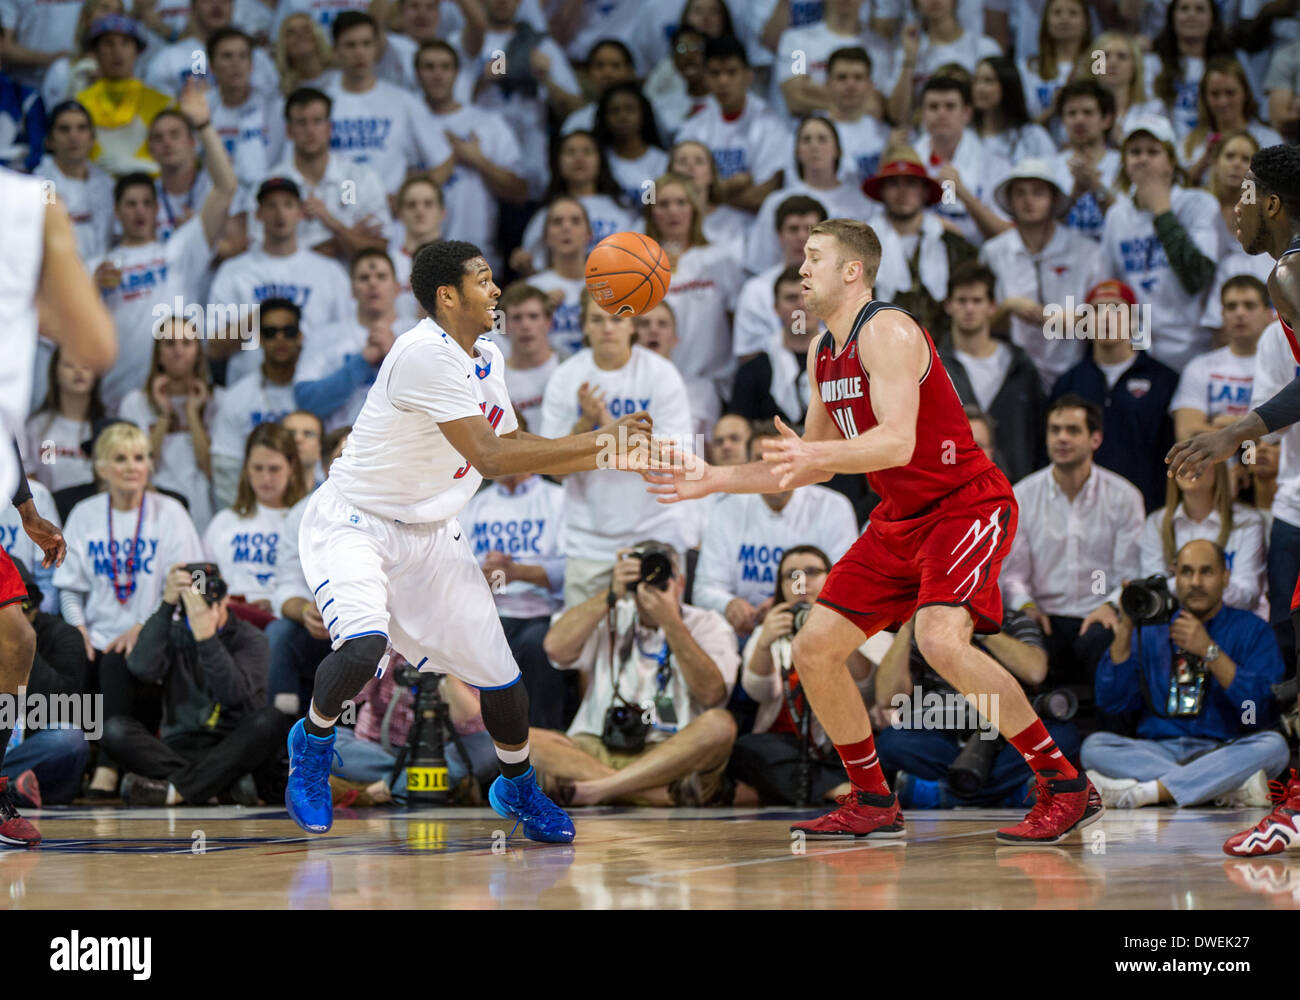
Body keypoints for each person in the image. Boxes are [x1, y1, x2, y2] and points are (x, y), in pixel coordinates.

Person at [647, 218, 1105, 843]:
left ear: (852, 271)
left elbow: (896, 440)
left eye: (814, 258)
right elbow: (806, 462)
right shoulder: (821, 350)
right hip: (898, 519)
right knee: (814, 647)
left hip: (962, 505)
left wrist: (816, 458)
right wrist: (713, 478)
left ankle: (1064, 783)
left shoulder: (887, 330)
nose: (802, 270)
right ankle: (871, 798)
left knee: (943, 642)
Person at [285, 239, 661, 843]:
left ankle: (515, 784)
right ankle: (312, 743)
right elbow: (488, 456)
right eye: (483, 281)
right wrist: (599, 439)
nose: (495, 291)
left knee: (503, 683)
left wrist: (608, 452)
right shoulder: (421, 355)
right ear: (448, 295)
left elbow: (517, 449)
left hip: (433, 533)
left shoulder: (487, 356)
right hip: (356, 522)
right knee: (362, 646)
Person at [0, 163, 116, 846]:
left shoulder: (20, 208)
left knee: (15, 637)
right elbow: (95, 343)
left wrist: (22, 505)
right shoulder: (30, 206)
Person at [52, 421, 204, 799]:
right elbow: (70, 588)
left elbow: (183, 583)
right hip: (97, 632)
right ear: (101, 467)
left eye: (140, 457)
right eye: (120, 459)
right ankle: (64, 768)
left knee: (115, 660)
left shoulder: (170, 512)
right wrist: (79, 630)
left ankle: (107, 762)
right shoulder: (85, 514)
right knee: (81, 657)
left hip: (156, 633)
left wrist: (142, 626)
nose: (132, 466)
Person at [1082, 539, 1289, 810]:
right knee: (1094, 747)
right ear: (1175, 577)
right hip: (1155, 749)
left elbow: (1256, 711)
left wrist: (1210, 651)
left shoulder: (1252, 629)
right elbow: (1111, 702)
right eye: (1186, 572)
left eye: (1207, 572)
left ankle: (1150, 791)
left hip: (1222, 748)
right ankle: (1222, 788)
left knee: (1274, 746)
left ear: (1226, 577)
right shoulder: (1151, 629)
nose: (1195, 582)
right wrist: (1125, 629)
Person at [533, 541, 739, 806]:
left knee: (720, 725)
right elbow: (555, 649)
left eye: (661, 574)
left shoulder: (708, 623)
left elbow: (711, 694)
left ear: (681, 581)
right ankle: (648, 795)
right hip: (593, 747)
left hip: (667, 754)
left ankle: (599, 790)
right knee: (523, 742)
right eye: (640, 574)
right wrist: (611, 593)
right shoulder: (611, 611)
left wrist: (670, 621)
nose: (650, 583)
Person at [86, 81, 236, 411]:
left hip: (186, 394)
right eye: (130, 204)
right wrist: (91, 289)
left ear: (157, 209)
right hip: (118, 395)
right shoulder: (97, 266)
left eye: (145, 203)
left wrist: (204, 125)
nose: (139, 211)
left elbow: (226, 188)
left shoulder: (180, 251)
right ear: (116, 212)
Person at [540, 291, 695, 607]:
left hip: (656, 531)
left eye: (616, 319)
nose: (607, 328)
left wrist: (606, 424)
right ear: (584, 326)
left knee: (657, 643)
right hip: (587, 539)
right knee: (580, 652)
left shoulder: (661, 375)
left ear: (632, 326)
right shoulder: (565, 378)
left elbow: (675, 458)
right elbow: (552, 468)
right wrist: (585, 423)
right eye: (597, 320)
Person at [103, 561, 291, 808]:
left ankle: (178, 790)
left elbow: (235, 696)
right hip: (180, 747)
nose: (204, 604)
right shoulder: (172, 631)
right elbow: (141, 668)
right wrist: (166, 604)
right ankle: (220, 788)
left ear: (224, 597)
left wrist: (207, 639)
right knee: (114, 731)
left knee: (272, 719)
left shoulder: (251, 638)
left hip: (234, 747)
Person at [1001, 393, 1146, 691]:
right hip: (1043, 615)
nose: (1062, 438)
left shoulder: (1124, 497)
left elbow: (1130, 573)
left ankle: (1110, 734)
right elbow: (1013, 574)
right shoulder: (1022, 495)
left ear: (1096, 439)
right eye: (1055, 430)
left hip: (1098, 614)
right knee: (1020, 643)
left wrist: (1109, 604)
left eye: (1073, 430)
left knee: (1108, 639)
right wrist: (1025, 605)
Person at [727, 545, 874, 806]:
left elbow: (868, 690)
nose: (800, 582)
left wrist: (840, 630)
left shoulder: (858, 621)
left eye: (812, 572)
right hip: (787, 746)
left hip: (842, 742)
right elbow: (758, 692)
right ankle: (839, 790)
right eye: (790, 575)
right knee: (747, 749)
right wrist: (763, 643)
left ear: (831, 577)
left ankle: (795, 790)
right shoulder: (770, 628)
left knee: (881, 750)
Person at [694, 419, 859, 639]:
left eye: (782, 459)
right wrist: (728, 604)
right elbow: (704, 588)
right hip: (743, 631)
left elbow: (845, 584)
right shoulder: (726, 509)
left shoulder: (832, 508)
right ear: (747, 464)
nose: (771, 470)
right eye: (760, 460)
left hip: (809, 624)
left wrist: (786, 599)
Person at [206, 176, 354, 385]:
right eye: (271, 206)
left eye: (288, 204)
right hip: (250, 393)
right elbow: (213, 347)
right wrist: (262, 317)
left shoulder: (330, 272)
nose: (280, 214)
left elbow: (348, 341)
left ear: (300, 212)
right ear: (258, 213)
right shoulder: (233, 272)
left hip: (313, 389)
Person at [1100, 115, 1220, 371]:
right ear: (1124, 162)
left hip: (1191, 348)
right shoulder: (1116, 216)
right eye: (1134, 152)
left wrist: (1162, 212)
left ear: (1171, 161)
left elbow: (1197, 277)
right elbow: (1111, 288)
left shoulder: (1198, 204)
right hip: (1137, 351)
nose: (1142, 159)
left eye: (1153, 151)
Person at [1050, 280, 1181, 514]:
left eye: (1117, 310)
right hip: (1079, 512)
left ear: (1133, 321)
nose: (1107, 318)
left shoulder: (1164, 381)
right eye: (1097, 311)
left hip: (1149, 509)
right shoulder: (1068, 383)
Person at [979, 158, 1107, 394]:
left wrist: (1070, 320)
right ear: (1010, 200)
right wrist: (1008, 307)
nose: (1028, 201)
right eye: (1020, 193)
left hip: (1075, 370)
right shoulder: (993, 252)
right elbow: (978, 322)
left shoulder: (1087, 251)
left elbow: (1112, 323)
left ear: (1054, 199)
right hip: (1011, 375)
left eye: (1038, 192)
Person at [462, 471, 571, 729]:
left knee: (537, 646)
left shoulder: (559, 499)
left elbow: (573, 570)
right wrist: (480, 577)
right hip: (487, 612)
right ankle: (481, 745)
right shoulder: (474, 504)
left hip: (542, 612)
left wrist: (519, 572)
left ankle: (541, 740)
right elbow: (454, 566)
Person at [410, 39, 526, 275]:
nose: (437, 74)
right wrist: (454, 158)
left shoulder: (488, 123)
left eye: (445, 67)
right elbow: (400, 194)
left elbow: (520, 193)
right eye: (429, 67)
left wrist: (479, 161)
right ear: (416, 73)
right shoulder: (406, 121)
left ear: (457, 72)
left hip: (479, 255)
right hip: (419, 257)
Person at [937, 262, 1046, 486]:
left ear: (992, 306)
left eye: (977, 301)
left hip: (1018, 489)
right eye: (962, 300)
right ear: (948, 305)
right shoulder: (932, 368)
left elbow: (1039, 434)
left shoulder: (1021, 366)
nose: (969, 308)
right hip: (953, 491)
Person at [325, 11, 449, 202]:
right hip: (336, 216)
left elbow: (444, 161)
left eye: (366, 44)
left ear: (377, 48)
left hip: (389, 223)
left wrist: (407, 199)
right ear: (335, 50)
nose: (359, 52)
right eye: (350, 45)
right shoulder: (322, 102)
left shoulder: (403, 102)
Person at [260, 87, 391, 262]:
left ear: (330, 128)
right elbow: (266, 256)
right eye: (301, 122)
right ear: (289, 131)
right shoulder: (272, 184)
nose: (310, 130)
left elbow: (379, 249)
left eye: (318, 121)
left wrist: (332, 222)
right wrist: (345, 237)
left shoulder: (357, 178)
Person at [0, 558, 90, 809]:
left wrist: (21, 643)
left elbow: (64, 707)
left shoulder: (63, 636)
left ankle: (12, 785)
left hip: (29, 746)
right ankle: (13, 788)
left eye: (20, 604)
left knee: (69, 738)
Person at [117, 312, 216, 533]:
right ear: (158, 354)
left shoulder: (218, 401)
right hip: (152, 511)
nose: (178, 350)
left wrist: (192, 414)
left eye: (187, 343)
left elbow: (212, 468)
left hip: (203, 511)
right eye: (169, 343)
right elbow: (135, 467)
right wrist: (163, 416)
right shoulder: (135, 403)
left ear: (198, 352)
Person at [863, 148, 977, 341]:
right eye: (893, 184)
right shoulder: (859, 247)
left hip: (944, 351)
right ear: (881, 191)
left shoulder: (953, 245)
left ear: (925, 191)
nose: (902, 192)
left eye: (911, 183)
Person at [203, 422, 309, 617]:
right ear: (246, 469)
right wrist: (213, 596)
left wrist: (278, 603)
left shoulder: (304, 520)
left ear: (292, 467)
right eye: (258, 468)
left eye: (274, 469)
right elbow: (200, 576)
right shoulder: (224, 521)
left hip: (283, 621)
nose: (266, 478)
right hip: (227, 618)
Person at [208, 298, 306, 508]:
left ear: (300, 336)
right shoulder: (237, 397)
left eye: (288, 331)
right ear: (259, 338)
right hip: (252, 511)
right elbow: (226, 469)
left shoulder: (316, 391)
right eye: (271, 332)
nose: (280, 338)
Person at [676, 34, 790, 213]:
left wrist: (708, 190)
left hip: (750, 230)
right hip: (701, 226)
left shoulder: (771, 125)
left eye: (731, 72)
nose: (723, 81)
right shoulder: (692, 128)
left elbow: (764, 195)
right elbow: (680, 190)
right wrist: (734, 184)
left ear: (748, 76)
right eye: (715, 73)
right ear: (705, 78)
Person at [291, 247, 402, 431]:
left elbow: (437, 396)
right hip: (339, 448)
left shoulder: (418, 331)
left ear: (397, 288)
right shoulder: (324, 336)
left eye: (381, 277)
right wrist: (362, 362)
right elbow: (307, 401)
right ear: (352, 290)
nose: (373, 284)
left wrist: (395, 355)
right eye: (364, 278)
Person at [911, 75, 1012, 248]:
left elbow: (1007, 234)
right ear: (922, 114)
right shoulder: (909, 162)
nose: (941, 113)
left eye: (950, 106)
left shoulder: (995, 165)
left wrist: (963, 193)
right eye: (933, 107)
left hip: (979, 260)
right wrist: (933, 223)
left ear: (967, 113)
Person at [1174, 274, 1274, 441]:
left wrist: (1224, 424)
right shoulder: (1199, 367)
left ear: (1269, 314)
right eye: (1231, 306)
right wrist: (1255, 429)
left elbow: (1288, 434)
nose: (1240, 313)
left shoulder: (1284, 363)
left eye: (1249, 305)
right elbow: (1187, 434)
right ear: (1222, 315)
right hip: (1217, 466)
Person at [75, 15, 170, 176]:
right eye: (108, 43)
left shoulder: (162, 104)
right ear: (95, 52)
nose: (117, 51)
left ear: (137, 51)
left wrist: (148, 168)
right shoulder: (79, 105)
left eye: (125, 43)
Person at [33, 100, 114, 261]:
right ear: (49, 140)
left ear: (92, 139)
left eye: (82, 128)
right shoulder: (36, 185)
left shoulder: (107, 184)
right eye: (64, 129)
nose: (73, 136)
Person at [24, 349, 104, 496]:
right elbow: (28, 478)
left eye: (86, 365)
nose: (79, 371)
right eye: (69, 365)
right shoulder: (36, 427)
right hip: (49, 513)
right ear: (55, 372)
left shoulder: (107, 427)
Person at [1054, 80, 1121, 243]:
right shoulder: (1049, 167)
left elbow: (1129, 223)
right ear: (1063, 121)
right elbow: (1044, 230)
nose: (1079, 120)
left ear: (1106, 120)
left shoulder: (1123, 164)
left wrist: (1095, 186)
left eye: (1088, 112)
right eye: (1071, 113)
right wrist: (1074, 195)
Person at [527, 196, 591, 357]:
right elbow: (507, 340)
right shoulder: (532, 289)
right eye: (557, 222)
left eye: (575, 221)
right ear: (546, 237)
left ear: (589, 234)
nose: (566, 228)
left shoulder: (608, 285)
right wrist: (536, 311)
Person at [500, 283, 559, 433]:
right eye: (517, 318)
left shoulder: (570, 367)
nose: (525, 325)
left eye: (533, 316)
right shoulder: (495, 379)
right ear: (504, 325)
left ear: (548, 322)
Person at [389, 174, 444, 321]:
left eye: (428, 204)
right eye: (411, 205)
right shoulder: (386, 264)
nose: (420, 211)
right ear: (399, 214)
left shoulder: (462, 263)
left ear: (442, 212)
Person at [283, 410, 324, 487]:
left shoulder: (331, 496)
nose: (298, 439)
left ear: (320, 448)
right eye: (290, 433)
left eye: (308, 434)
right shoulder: (259, 495)